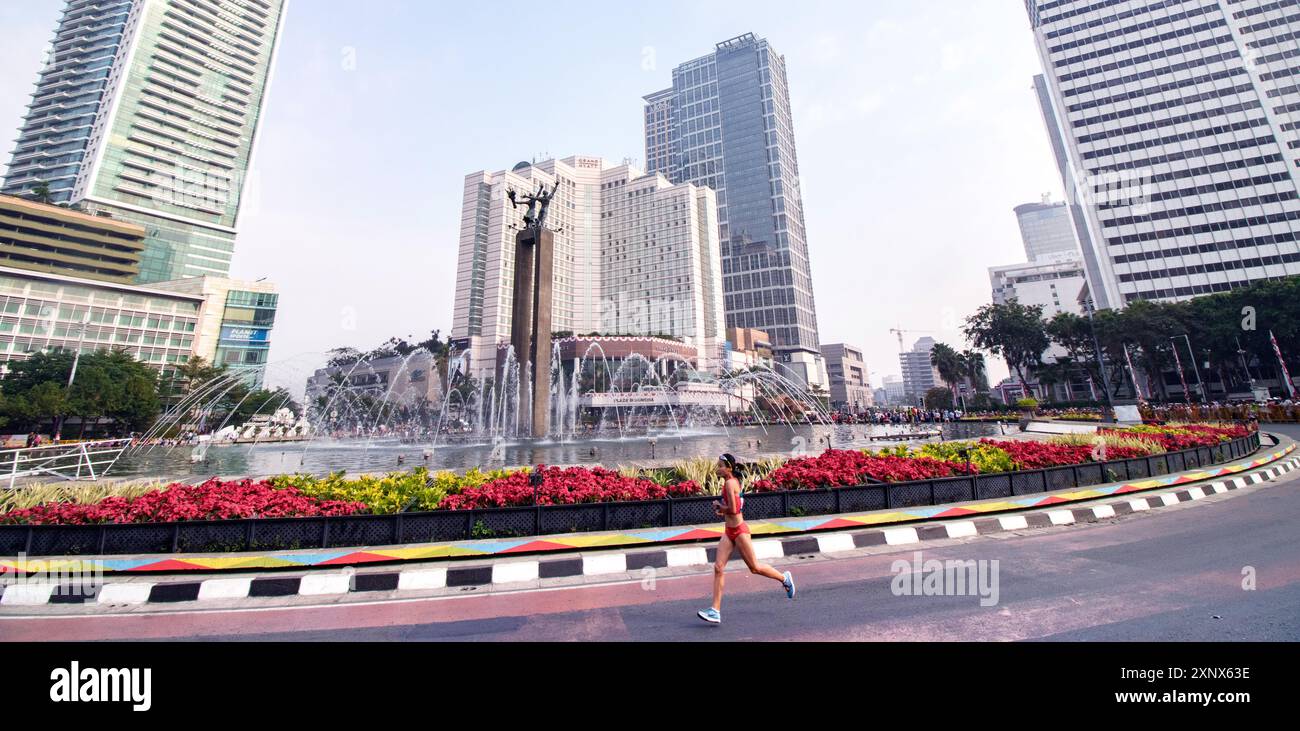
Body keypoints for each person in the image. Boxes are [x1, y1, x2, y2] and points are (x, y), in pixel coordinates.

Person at [698, 453, 795, 624]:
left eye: (720, 466)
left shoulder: (730, 483)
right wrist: (722, 509)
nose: (717, 468)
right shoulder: (730, 482)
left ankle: (784, 578)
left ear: (729, 468)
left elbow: (734, 510)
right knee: (718, 567)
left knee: (755, 568)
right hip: (729, 531)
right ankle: (715, 610)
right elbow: (733, 507)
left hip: (740, 531)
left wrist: (720, 507)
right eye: (718, 465)